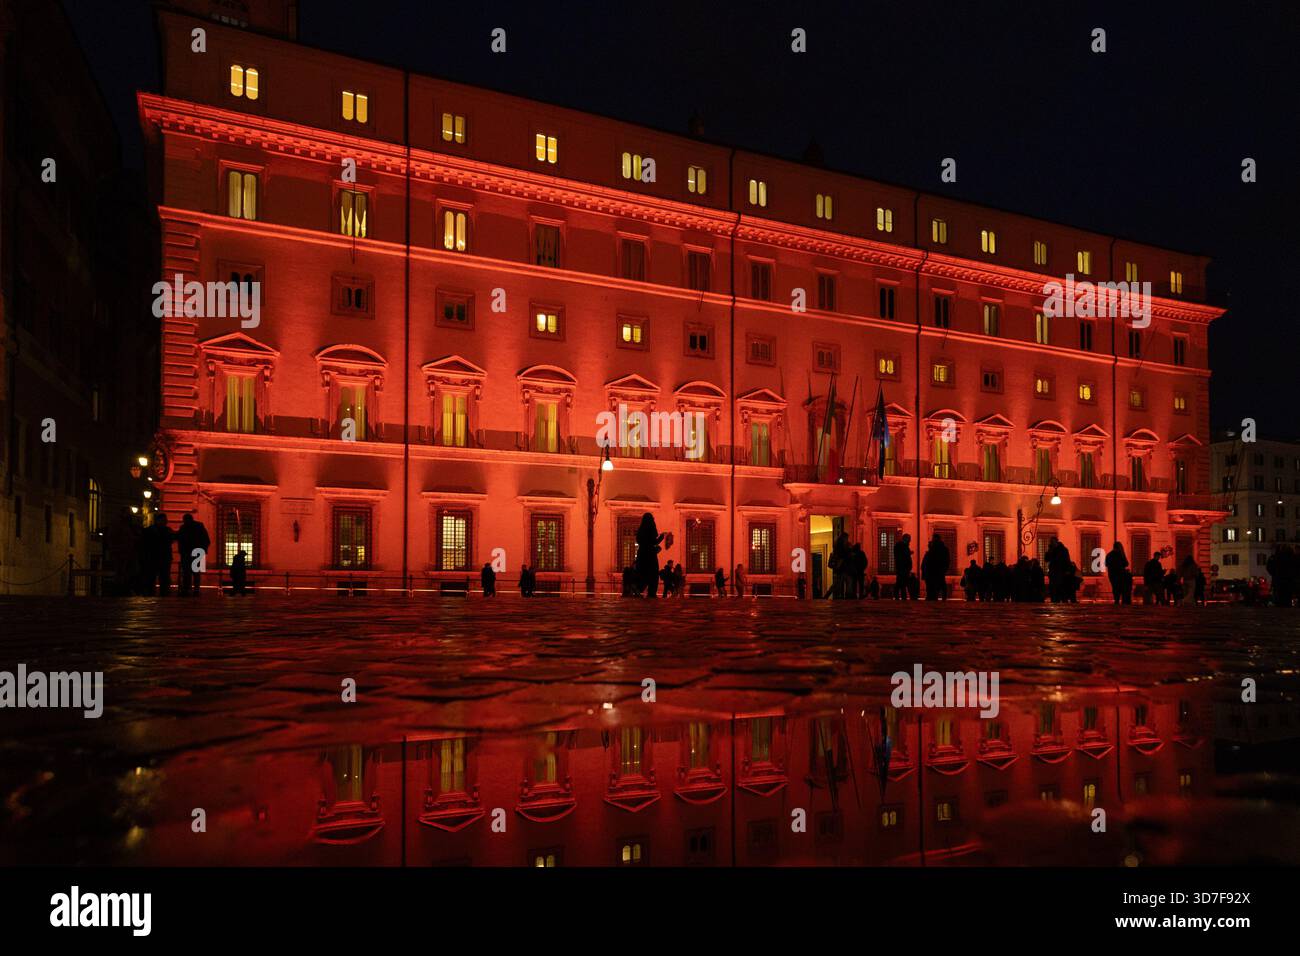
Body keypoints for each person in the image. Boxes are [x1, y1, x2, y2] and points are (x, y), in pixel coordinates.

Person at [175, 512, 211, 596]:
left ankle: (187, 589)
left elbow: (180, 539)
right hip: (198, 552)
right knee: (196, 573)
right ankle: (196, 590)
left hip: (187, 553)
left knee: (187, 572)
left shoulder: (183, 527)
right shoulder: (199, 526)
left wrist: (181, 551)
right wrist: (203, 550)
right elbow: (206, 539)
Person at [635, 513, 669, 599]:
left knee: (642, 573)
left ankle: (639, 588)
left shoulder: (640, 530)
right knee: (653, 573)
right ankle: (651, 592)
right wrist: (662, 536)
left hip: (642, 554)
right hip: (650, 555)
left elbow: (639, 541)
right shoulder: (651, 529)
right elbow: (654, 542)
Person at [142, 512, 176, 595]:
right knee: (160, 575)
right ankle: (161, 592)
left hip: (157, 556)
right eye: (164, 520)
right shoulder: (167, 530)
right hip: (158, 556)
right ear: (158, 520)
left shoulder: (150, 529)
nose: (165, 521)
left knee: (156, 575)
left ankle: (154, 591)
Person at [921, 533, 950, 600]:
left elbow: (929, 560)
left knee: (933, 584)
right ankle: (940, 597)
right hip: (938, 569)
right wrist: (945, 568)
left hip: (933, 569)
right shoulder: (943, 548)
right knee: (940, 583)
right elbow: (947, 560)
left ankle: (932, 596)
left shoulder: (934, 548)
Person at [893, 534, 913, 600]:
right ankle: (900, 596)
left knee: (901, 582)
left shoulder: (901, 546)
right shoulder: (902, 546)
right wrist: (908, 553)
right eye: (909, 539)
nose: (910, 541)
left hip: (902, 567)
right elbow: (902, 556)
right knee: (901, 582)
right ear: (906, 539)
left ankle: (900, 596)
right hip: (903, 567)